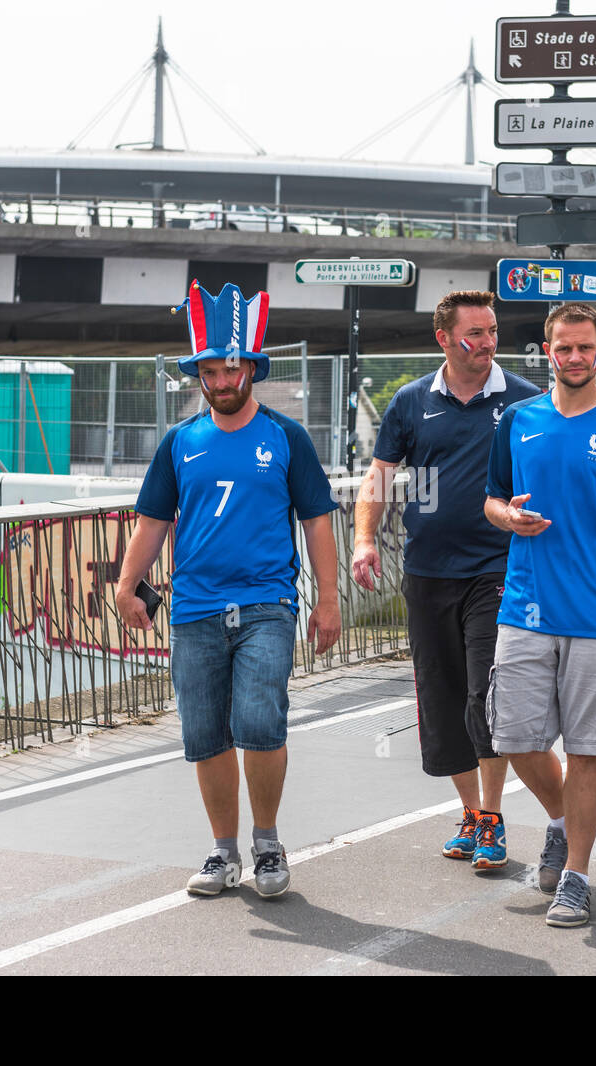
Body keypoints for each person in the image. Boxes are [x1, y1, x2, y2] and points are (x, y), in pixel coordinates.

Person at [116, 279, 341, 900]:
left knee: (260, 719)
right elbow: (154, 521)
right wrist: (126, 584)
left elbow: (317, 520)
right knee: (205, 733)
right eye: (211, 368)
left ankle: (267, 843)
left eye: (231, 365)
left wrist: (328, 599)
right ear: (199, 375)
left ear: (251, 369)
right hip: (194, 608)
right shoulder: (179, 443)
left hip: (268, 603)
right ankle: (223, 852)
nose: (222, 377)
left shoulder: (287, 438)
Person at [483, 303, 596, 927]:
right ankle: (561, 822)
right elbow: (492, 499)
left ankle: (577, 874)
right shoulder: (518, 419)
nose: (574, 358)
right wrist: (508, 517)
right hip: (525, 608)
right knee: (513, 737)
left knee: (589, 749)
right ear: (546, 351)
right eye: (563, 348)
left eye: (585, 348)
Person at [352, 290, 539, 871]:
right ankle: (474, 812)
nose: (486, 343)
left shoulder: (525, 401)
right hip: (427, 571)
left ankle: (492, 817)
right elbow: (379, 478)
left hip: (498, 569)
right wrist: (363, 540)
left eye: (491, 332)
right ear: (444, 339)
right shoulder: (411, 403)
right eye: (473, 334)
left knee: (485, 696)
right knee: (442, 699)